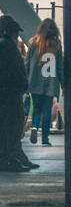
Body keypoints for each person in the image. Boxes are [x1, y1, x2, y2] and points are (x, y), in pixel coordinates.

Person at [0, 15, 38, 171]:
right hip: (9, 95)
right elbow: (13, 72)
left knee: (10, 129)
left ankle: (15, 156)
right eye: (15, 33)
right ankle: (8, 159)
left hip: (7, 94)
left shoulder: (5, 46)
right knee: (11, 128)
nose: (17, 36)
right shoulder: (6, 47)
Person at [26, 18, 62, 147]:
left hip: (35, 83)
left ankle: (34, 127)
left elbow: (27, 63)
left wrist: (26, 79)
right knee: (47, 111)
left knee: (36, 108)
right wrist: (63, 84)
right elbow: (60, 67)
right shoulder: (56, 45)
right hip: (50, 84)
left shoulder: (33, 43)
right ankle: (45, 139)